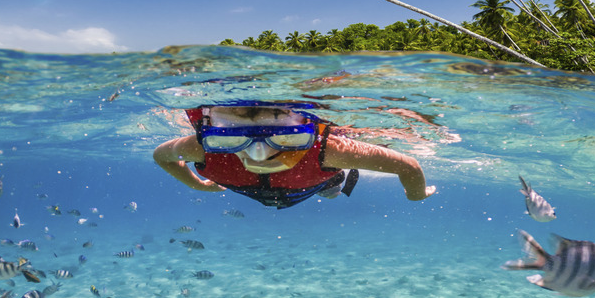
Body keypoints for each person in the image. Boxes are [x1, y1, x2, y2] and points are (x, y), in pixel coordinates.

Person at [153, 102, 435, 209]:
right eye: (234, 139)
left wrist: (416, 194)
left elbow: (407, 165)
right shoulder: (202, 147)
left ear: (308, 131)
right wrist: (195, 183)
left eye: (287, 138)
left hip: (315, 183)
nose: (259, 154)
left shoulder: (329, 150)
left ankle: (331, 187)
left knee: (331, 188)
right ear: (211, 132)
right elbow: (161, 156)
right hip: (250, 187)